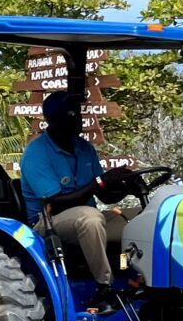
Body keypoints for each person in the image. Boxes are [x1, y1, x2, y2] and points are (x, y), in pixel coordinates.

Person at [18, 89, 125, 296]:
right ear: (54, 120)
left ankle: (140, 278)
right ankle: (105, 286)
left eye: (79, 112)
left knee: (140, 218)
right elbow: (56, 202)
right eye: (72, 114)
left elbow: (105, 195)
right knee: (90, 219)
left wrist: (124, 184)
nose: (79, 119)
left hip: (84, 214)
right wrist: (99, 182)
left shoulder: (84, 148)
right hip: (47, 221)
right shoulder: (36, 153)